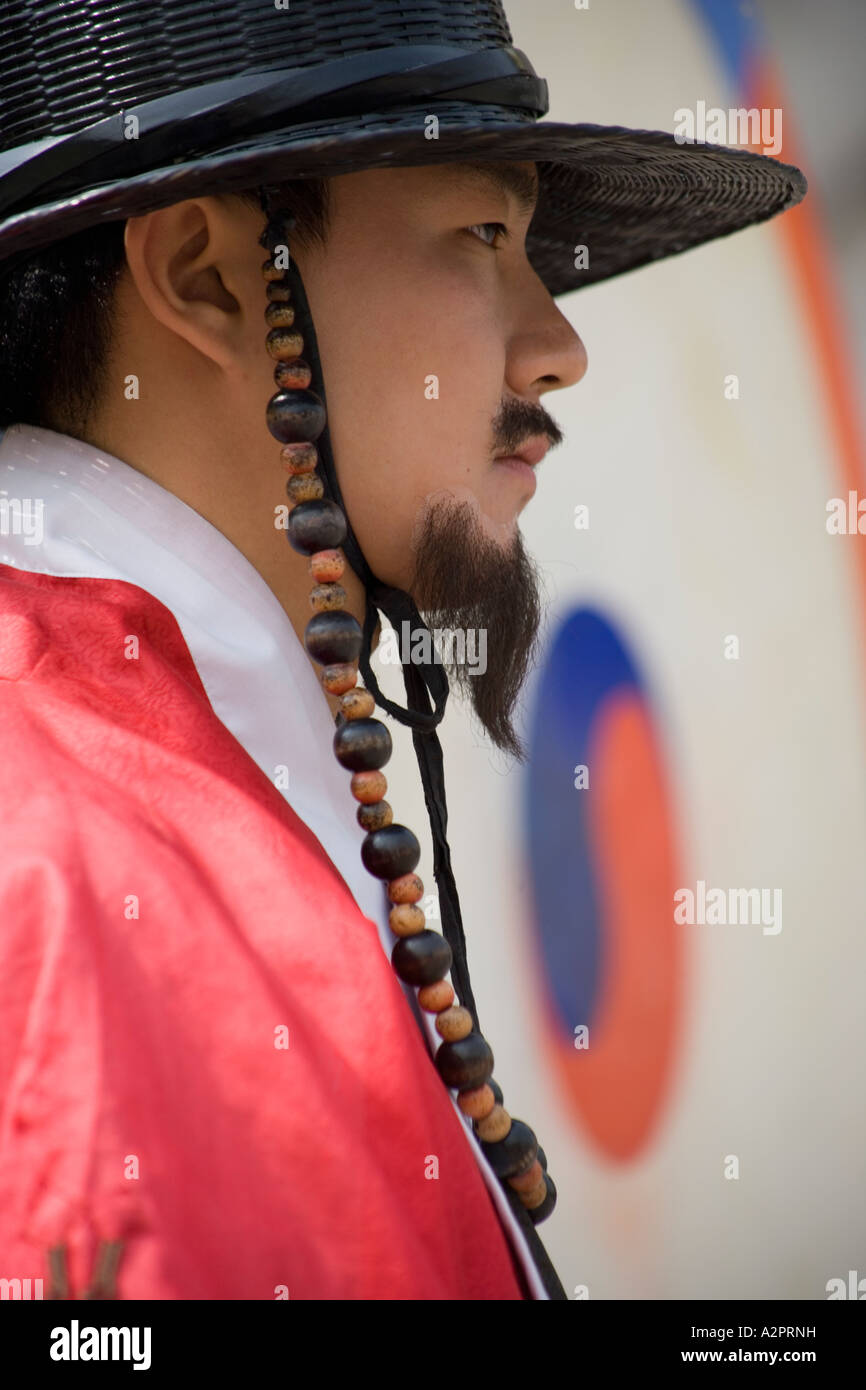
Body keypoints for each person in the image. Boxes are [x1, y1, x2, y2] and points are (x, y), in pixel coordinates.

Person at [0, 0, 805, 1301]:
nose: (557, 349)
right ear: (205, 278)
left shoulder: (148, 793)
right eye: (482, 234)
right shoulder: (57, 882)